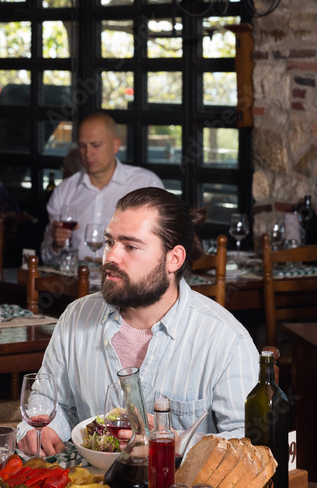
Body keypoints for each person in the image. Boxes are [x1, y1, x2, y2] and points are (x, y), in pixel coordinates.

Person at [19, 187, 257, 456]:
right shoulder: (76, 317)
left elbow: (251, 442)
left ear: (174, 259)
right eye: (110, 242)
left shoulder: (225, 339)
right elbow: (51, 402)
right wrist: (40, 429)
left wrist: (176, 443)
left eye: (131, 246)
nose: (111, 257)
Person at [40, 113, 164, 264]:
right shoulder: (64, 191)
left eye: (95, 145)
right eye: (82, 146)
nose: (88, 154)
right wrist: (56, 245)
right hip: (76, 283)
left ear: (115, 145)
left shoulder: (145, 184)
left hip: (129, 284)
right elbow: (46, 257)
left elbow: (161, 249)